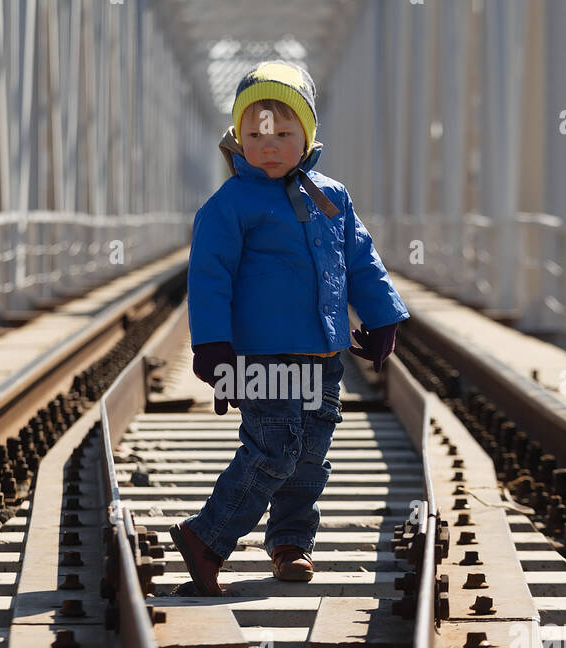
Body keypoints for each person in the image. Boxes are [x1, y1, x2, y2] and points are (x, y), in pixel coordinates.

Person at [169, 60, 409, 596]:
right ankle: (206, 538)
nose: (268, 144)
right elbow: (210, 278)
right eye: (254, 134)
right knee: (273, 448)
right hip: (261, 356)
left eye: (282, 133)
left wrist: (382, 315)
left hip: (323, 355)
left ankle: (291, 543)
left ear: (307, 136)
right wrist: (212, 344)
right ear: (238, 138)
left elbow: (361, 261)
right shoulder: (229, 205)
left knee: (309, 457)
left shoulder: (332, 197)